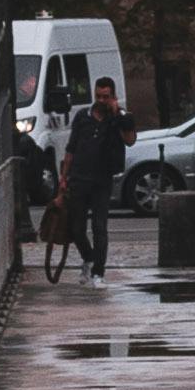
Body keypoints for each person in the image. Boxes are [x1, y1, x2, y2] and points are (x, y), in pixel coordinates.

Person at [54, 80, 133, 279]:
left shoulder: (119, 118)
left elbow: (130, 140)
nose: (101, 100)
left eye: (106, 97)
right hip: (79, 178)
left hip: (102, 180)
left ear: (113, 96)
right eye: (98, 96)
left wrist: (116, 115)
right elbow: (71, 149)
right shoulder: (83, 117)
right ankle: (89, 258)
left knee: (99, 227)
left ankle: (99, 272)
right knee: (77, 228)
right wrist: (64, 178)